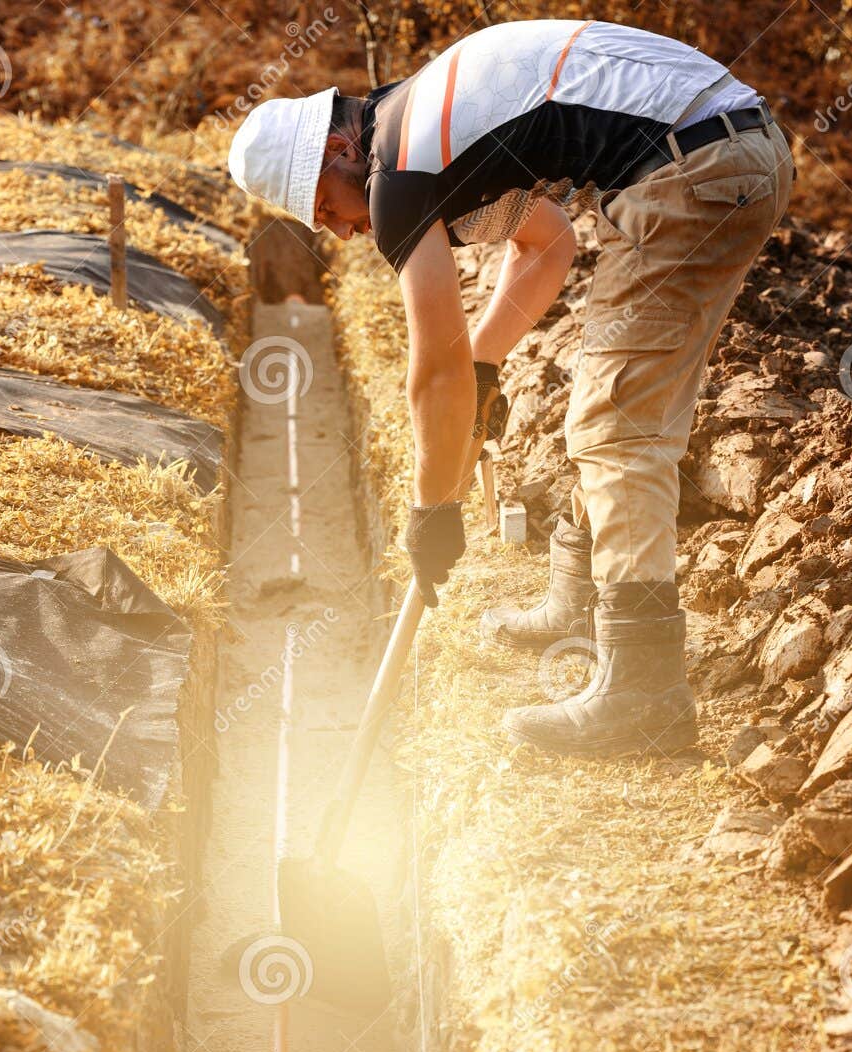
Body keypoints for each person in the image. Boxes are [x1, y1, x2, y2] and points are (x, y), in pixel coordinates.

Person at [228, 18, 793, 759]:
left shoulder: (397, 177)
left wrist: (431, 510)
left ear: (340, 150)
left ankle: (643, 695)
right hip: (723, 149)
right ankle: (576, 602)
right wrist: (486, 360)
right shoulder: (422, 127)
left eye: (328, 210)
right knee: (612, 407)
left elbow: (431, 370)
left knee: (617, 428)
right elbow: (547, 240)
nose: (339, 234)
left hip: (695, 166)